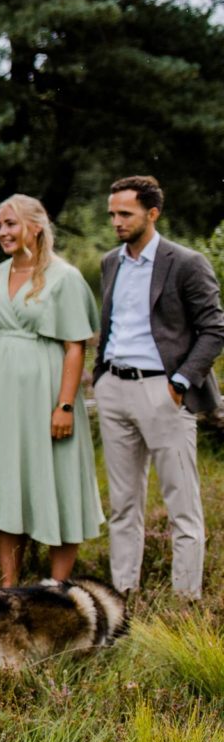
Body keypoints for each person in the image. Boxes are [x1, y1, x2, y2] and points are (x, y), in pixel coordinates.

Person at [95, 176, 224, 600]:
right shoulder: (111, 262)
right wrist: (101, 378)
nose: (116, 221)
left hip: (164, 392)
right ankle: (122, 596)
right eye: (113, 213)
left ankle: (186, 603)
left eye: (125, 213)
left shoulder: (185, 262)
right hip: (115, 388)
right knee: (123, 504)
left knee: (182, 506)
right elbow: (110, 324)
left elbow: (214, 329)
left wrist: (181, 382)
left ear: (152, 213)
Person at [0, 195, 102, 587]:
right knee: (9, 478)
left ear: (36, 227)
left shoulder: (65, 277)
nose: (2, 232)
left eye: (10, 223)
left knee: (57, 478)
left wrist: (64, 405)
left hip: (46, 393)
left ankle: (57, 585)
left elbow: (76, 346)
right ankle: (10, 583)